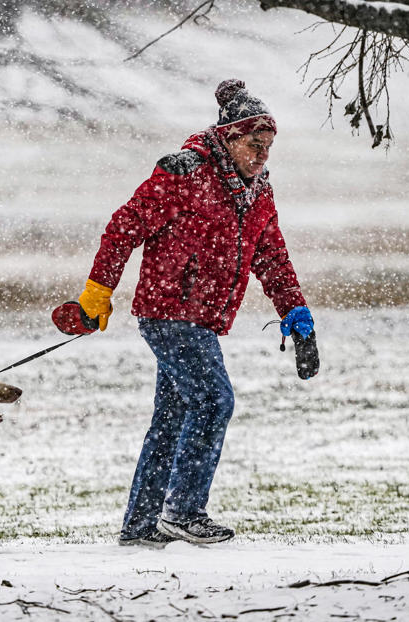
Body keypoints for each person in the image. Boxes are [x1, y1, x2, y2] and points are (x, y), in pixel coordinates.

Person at [52, 79, 319, 547]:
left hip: (201, 318)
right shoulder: (185, 174)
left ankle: (140, 526)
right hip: (168, 311)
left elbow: (272, 257)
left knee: (174, 416)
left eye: (268, 147)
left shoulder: (258, 192)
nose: (262, 155)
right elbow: (123, 228)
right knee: (215, 401)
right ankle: (183, 511)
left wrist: (296, 313)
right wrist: (96, 294)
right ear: (229, 136)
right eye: (255, 144)